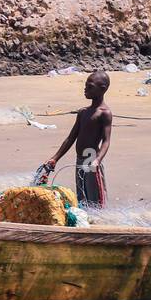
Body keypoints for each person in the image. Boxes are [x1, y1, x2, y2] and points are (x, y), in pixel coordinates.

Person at [38, 70, 113, 208]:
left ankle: (100, 224)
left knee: (95, 199)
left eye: (90, 86)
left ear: (103, 89)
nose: (85, 89)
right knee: (82, 196)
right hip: (80, 158)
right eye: (85, 85)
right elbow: (70, 138)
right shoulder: (83, 112)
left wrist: (97, 160)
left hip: (91, 158)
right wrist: (55, 158)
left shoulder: (104, 113)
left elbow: (106, 141)